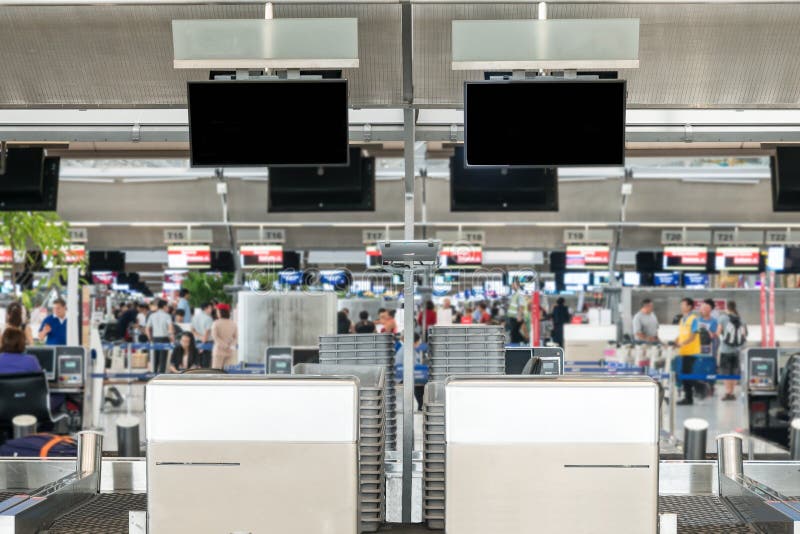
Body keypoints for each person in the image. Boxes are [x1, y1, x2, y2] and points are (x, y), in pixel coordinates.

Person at [717, 301, 748, 401]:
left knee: (726, 372)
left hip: (725, 349)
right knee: (734, 371)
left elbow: (718, 332)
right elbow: (744, 334)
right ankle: (733, 391)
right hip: (737, 350)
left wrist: (722, 336)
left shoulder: (722, 318)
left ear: (727, 307)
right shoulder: (741, 319)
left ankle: (728, 392)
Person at [675, 297, 701, 406]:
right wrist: (676, 341)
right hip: (683, 351)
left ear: (689, 306)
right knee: (685, 374)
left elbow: (693, 336)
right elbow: (682, 334)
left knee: (686, 375)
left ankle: (689, 398)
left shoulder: (693, 319)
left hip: (692, 351)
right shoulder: (682, 319)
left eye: (683, 305)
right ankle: (695, 391)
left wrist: (682, 343)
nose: (681, 307)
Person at [146, 299, 174, 374]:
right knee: (163, 359)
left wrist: (150, 338)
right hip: (164, 339)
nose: (168, 308)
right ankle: (161, 376)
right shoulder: (167, 316)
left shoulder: (152, 315)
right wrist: (172, 337)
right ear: (164, 306)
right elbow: (170, 328)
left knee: (155, 358)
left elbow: (147, 328)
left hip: (155, 339)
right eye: (167, 306)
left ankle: (154, 374)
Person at [211, 303, 237, 369]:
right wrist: (230, 346)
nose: (217, 313)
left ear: (220, 312)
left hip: (219, 350)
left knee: (216, 372)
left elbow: (215, 336)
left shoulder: (216, 323)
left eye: (217, 311)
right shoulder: (233, 323)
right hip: (230, 351)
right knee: (228, 372)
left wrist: (224, 346)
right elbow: (236, 337)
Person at [191, 302, 214, 368]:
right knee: (205, 363)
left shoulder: (195, 317)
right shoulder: (208, 318)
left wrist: (199, 337)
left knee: (198, 363)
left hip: (197, 342)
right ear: (206, 308)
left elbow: (192, 330)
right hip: (206, 343)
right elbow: (207, 332)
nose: (211, 309)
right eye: (210, 308)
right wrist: (203, 341)